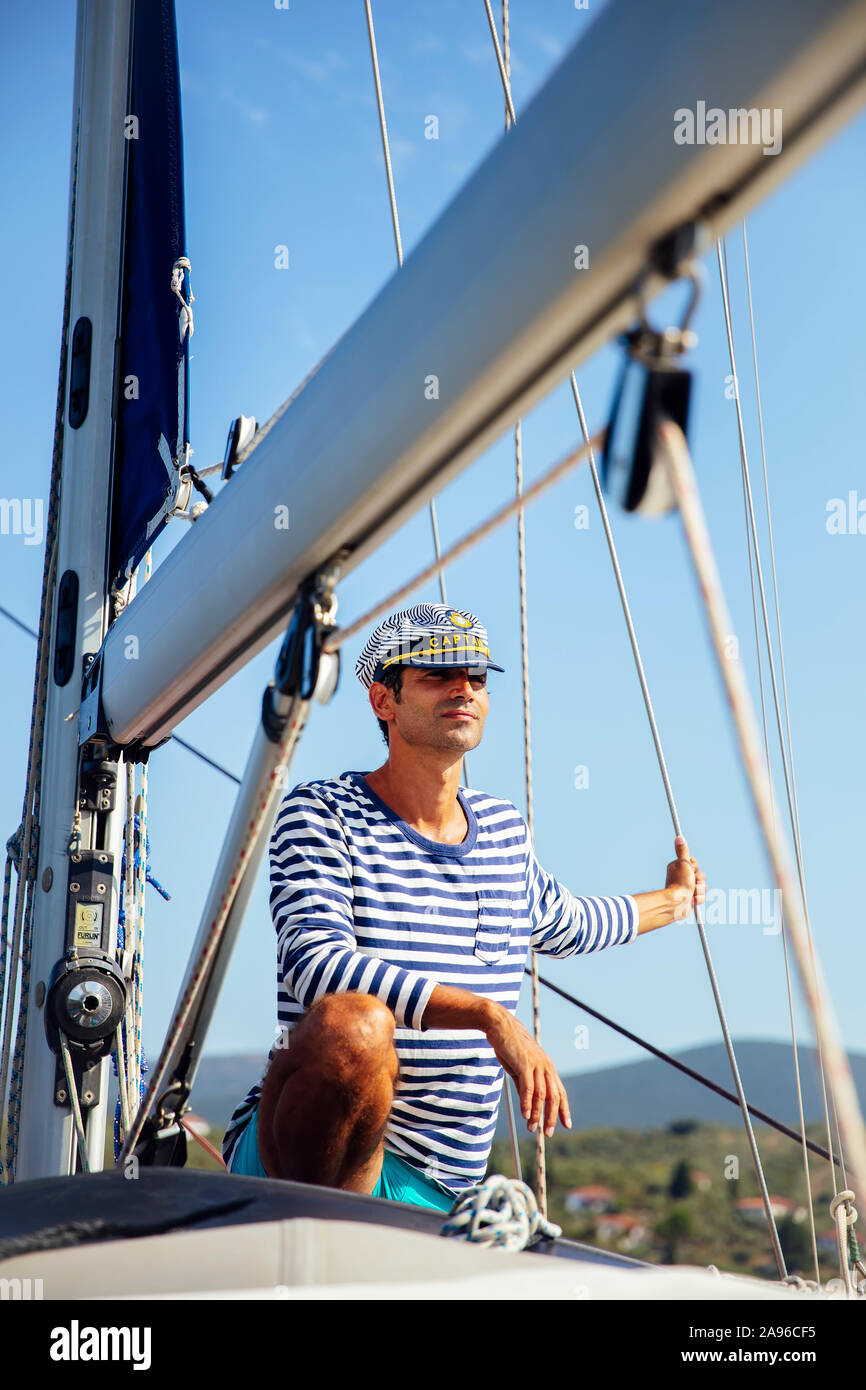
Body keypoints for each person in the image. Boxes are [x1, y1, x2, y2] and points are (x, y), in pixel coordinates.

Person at [222, 603, 705, 1211]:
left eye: (477, 678)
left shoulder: (502, 829)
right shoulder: (322, 814)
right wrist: (488, 1016)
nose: (465, 689)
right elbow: (318, 967)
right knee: (356, 1028)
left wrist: (674, 900)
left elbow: (568, 921)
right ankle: (323, 1231)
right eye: (438, 674)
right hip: (303, 1158)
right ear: (384, 702)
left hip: (441, 1188)